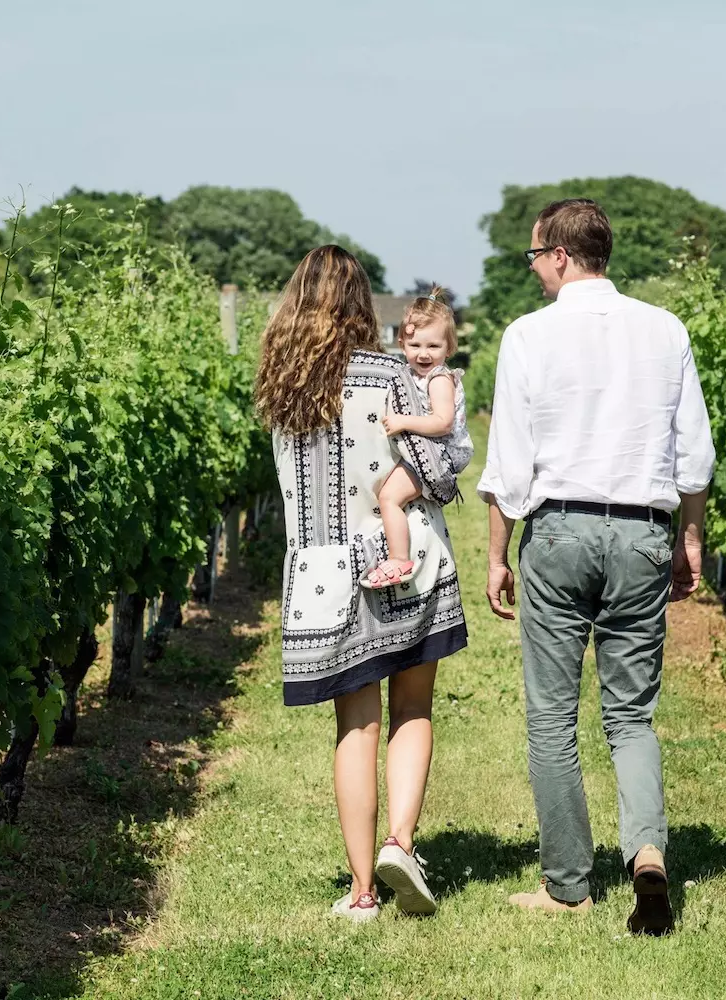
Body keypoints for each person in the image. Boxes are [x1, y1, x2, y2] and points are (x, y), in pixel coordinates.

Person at [477, 198, 714, 936]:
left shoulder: (528, 335)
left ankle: (568, 885)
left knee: (552, 715)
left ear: (557, 255)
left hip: (558, 531)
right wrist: (691, 536)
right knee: (630, 714)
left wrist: (493, 553)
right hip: (642, 530)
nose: (533, 271)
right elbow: (692, 452)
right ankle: (646, 851)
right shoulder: (664, 328)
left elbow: (510, 459)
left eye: (532, 257)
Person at [254, 245, 469, 923]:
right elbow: (434, 468)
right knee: (412, 708)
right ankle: (399, 843)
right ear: (359, 304)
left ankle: (360, 891)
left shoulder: (279, 382)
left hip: (320, 573)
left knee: (354, 726)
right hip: (402, 559)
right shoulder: (391, 373)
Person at [363, 286, 474, 590]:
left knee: (388, 497)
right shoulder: (412, 374)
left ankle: (399, 559)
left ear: (449, 348)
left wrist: (402, 421)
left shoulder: (439, 379)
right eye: (415, 345)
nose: (423, 353)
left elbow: (442, 422)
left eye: (433, 346)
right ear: (402, 343)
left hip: (440, 454)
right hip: (430, 448)